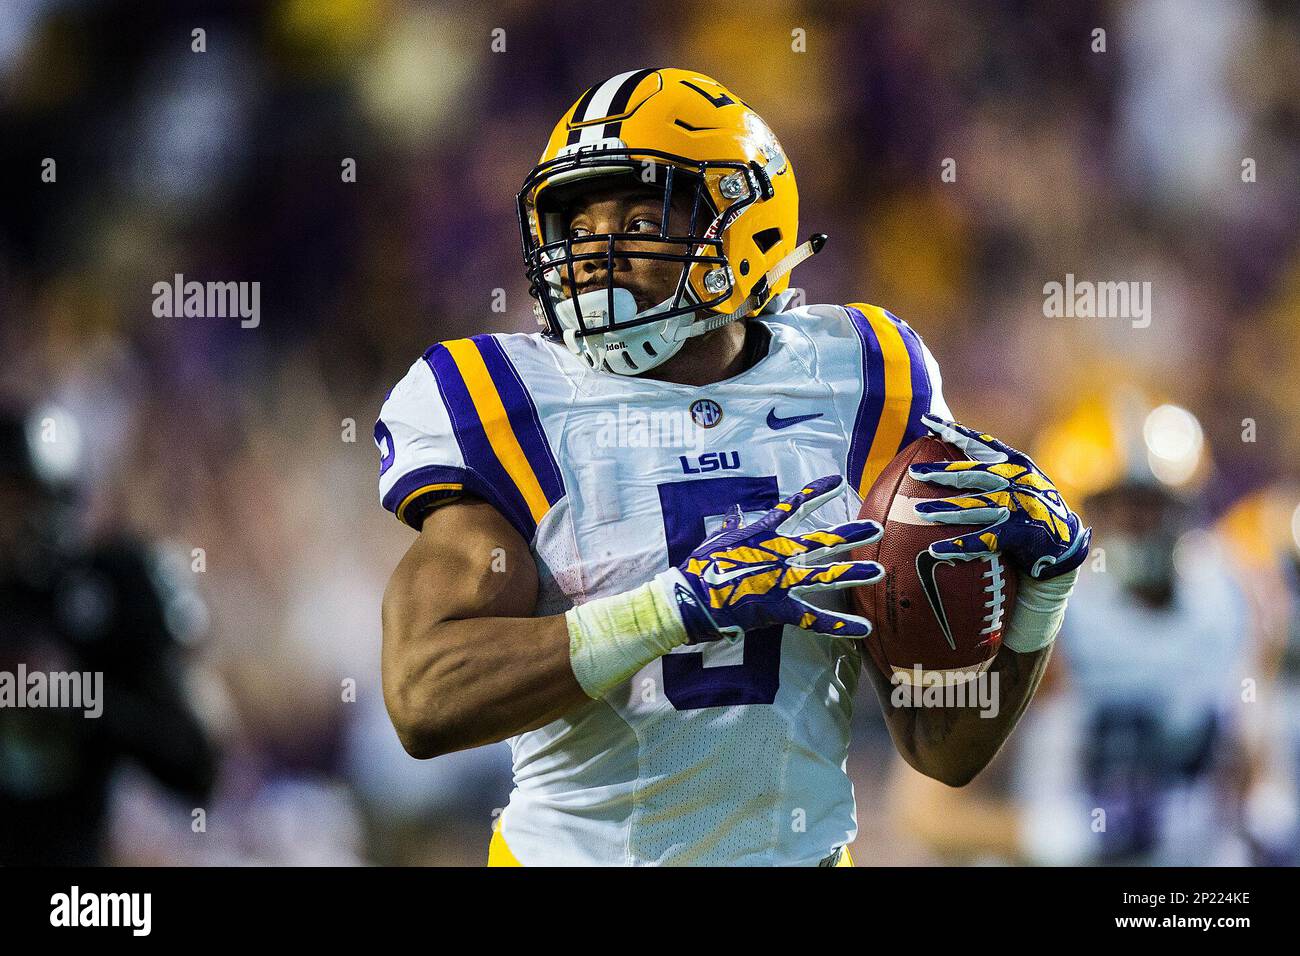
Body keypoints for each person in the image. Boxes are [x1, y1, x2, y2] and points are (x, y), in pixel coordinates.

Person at [376, 69, 1089, 866]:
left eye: (642, 217)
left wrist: (1040, 601)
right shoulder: (506, 400)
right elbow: (423, 698)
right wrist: (671, 609)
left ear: (744, 227)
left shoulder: (862, 377)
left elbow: (942, 748)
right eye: (576, 225)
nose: (592, 252)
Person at [0, 402, 217, 864]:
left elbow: (198, 759)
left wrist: (80, 701)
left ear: (51, 500)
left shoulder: (112, 586)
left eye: (14, 500)